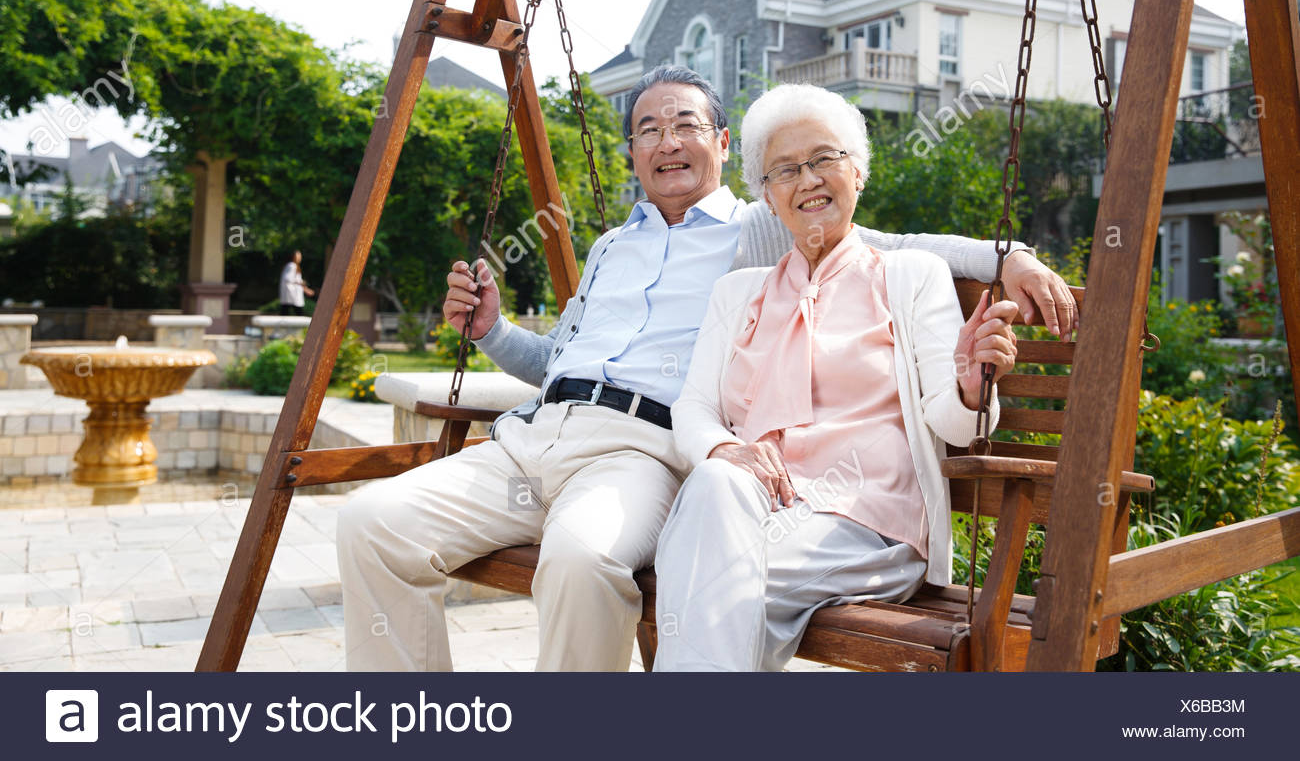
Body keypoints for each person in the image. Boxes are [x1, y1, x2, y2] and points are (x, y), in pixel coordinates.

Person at [336, 65, 1072, 672]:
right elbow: (561, 362)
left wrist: (1007, 258)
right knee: (371, 523)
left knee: (583, 560)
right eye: (648, 130)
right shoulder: (609, 247)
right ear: (632, 155)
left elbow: (884, 240)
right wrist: (493, 331)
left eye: (685, 124)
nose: (667, 142)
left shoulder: (759, 225)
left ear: (722, 143)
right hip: (536, 438)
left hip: (640, 452)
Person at [653, 83, 1019, 671]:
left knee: (701, 574)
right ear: (768, 198)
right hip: (754, 511)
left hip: (870, 523)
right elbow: (692, 410)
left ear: (859, 173)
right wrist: (728, 448)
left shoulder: (909, 278)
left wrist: (973, 386)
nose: (809, 180)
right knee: (717, 490)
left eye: (826, 159)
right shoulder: (737, 293)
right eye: (786, 170)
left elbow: (953, 423)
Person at [278, 250, 314, 316]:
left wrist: (305, 289)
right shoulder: (292, 266)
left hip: (291, 295)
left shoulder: (293, 266)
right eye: (298, 256)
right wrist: (301, 283)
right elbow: (288, 278)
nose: (300, 257)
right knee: (296, 310)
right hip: (291, 294)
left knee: (286, 310)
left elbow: (296, 280)